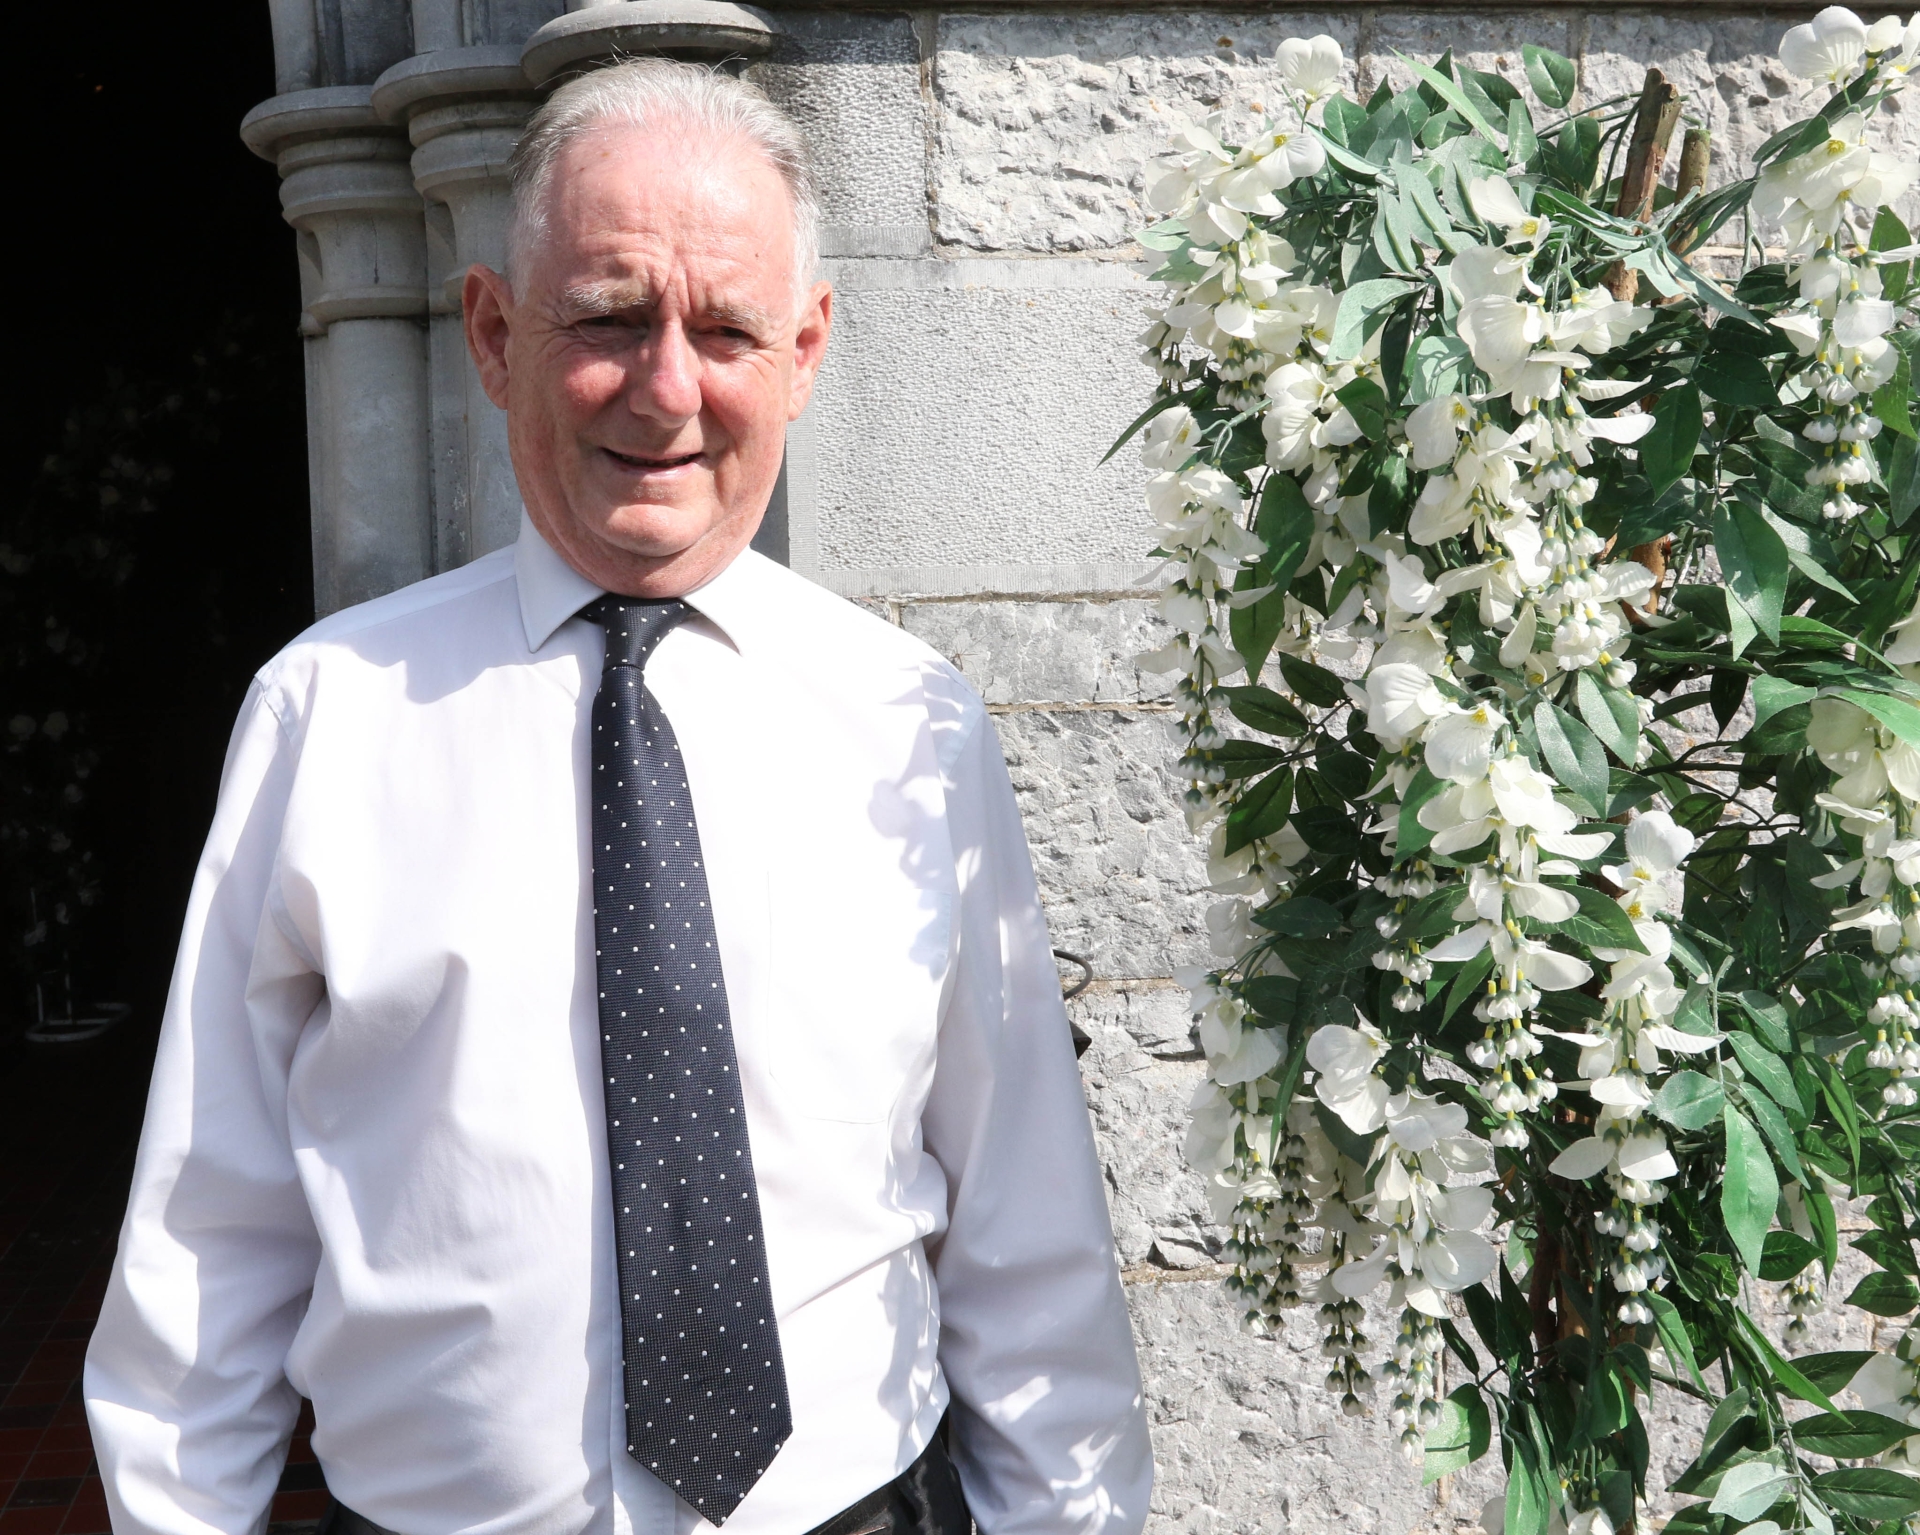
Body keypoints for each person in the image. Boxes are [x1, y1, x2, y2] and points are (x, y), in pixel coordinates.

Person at [83, 57, 1150, 1535]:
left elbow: (1023, 1215)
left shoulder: (913, 724)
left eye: (724, 328)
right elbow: (212, 1230)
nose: (667, 390)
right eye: (605, 319)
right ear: (492, 333)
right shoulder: (326, 718)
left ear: (806, 350)